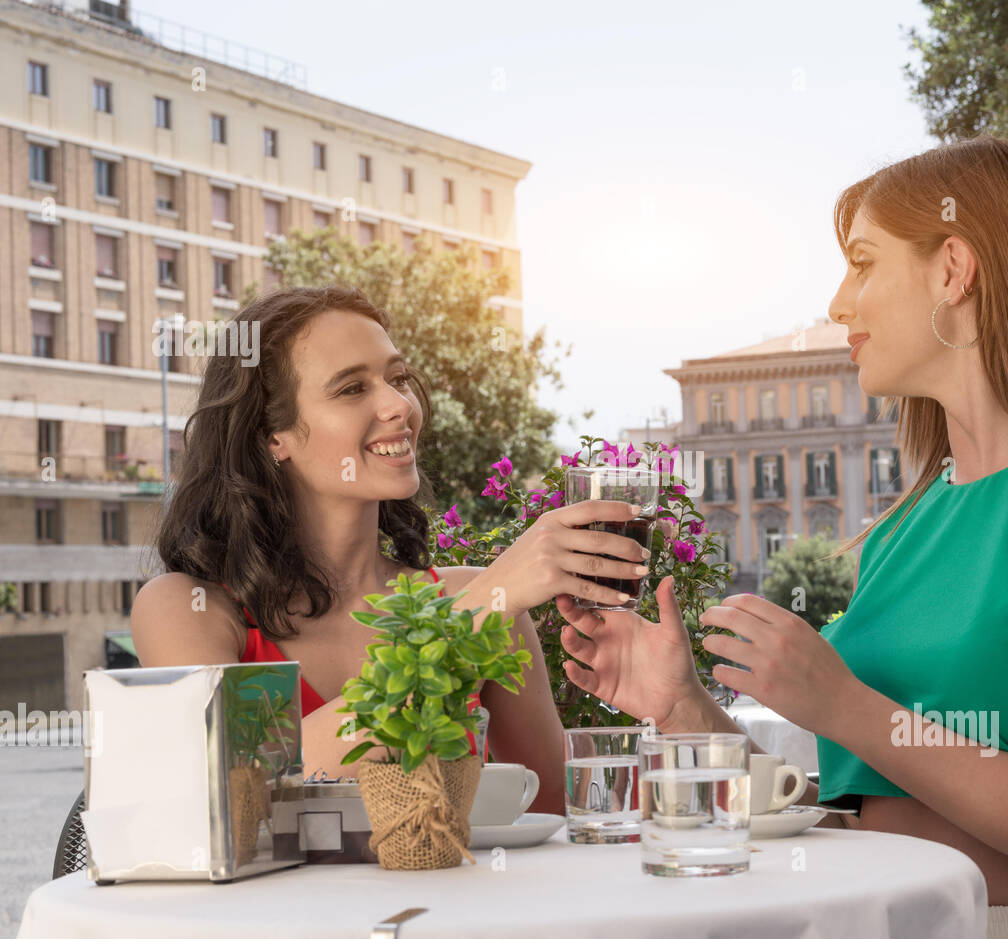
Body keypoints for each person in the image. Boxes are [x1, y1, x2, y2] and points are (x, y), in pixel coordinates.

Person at [555, 135, 1008, 939]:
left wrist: (847, 706)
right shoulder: (900, 531)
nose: (839, 304)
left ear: (953, 270)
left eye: (863, 263)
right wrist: (685, 708)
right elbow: (845, 824)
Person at [131, 286, 650, 816]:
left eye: (397, 379)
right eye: (353, 388)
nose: (399, 405)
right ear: (272, 437)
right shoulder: (190, 609)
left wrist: (674, 706)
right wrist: (480, 609)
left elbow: (560, 813)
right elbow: (246, 785)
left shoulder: (469, 598)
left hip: (450, 900)